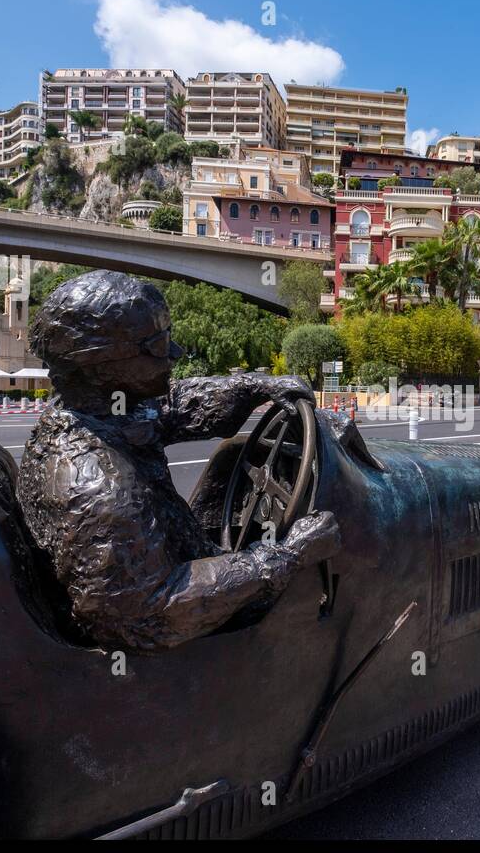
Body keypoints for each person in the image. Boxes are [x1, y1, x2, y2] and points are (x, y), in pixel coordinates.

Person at [18, 270, 340, 652]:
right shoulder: (101, 489)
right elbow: (155, 614)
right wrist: (286, 555)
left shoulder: (95, 410)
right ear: (100, 366)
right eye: (156, 346)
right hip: (178, 644)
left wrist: (254, 387)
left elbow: (171, 407)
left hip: (174, 559)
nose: (174, 354)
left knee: (232, 455)